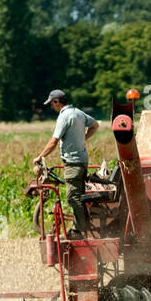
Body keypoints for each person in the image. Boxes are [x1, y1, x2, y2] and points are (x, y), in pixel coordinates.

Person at [33, 89, 99, 237]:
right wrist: (83, 139)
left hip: (72, 164)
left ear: (57, 101)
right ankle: (83, 227)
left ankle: (79, 231)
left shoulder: (64, 117)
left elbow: (54, 141)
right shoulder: (79, 113)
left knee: (72, 197)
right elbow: (95, 125)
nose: (51, 107)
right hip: (82, 161)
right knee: (80, 195)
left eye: (51, 104)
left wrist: (39, 157)